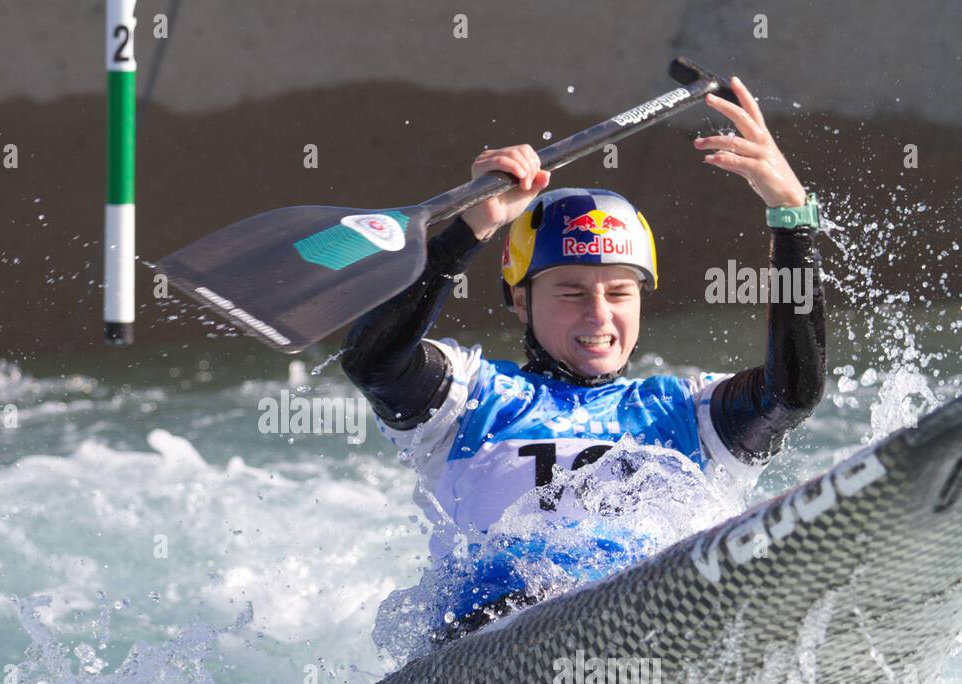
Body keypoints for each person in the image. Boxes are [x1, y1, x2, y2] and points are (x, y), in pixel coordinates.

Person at [341, 76, 826, 645]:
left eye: (619, 293)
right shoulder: (468, 400)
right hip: (489, 649)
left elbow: (793, 393)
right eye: (571, 293)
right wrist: (471, 228)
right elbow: (372, 360)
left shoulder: (690, 413)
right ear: (521, 299)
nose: (599, 316)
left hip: (653, 637)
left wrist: (793, 218)